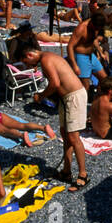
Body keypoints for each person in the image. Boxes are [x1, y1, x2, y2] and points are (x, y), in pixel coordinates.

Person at [24, 48, 88, 190]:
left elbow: (55, 83)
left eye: (26, 62)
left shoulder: (46, 59)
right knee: (65, 135)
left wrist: (41, 96)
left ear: (30, 54)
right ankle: (66, 171)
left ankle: (83, 174)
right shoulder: (47, 57)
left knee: (73, 138)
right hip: (66, 99)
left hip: (74, 97)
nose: (28, 66)